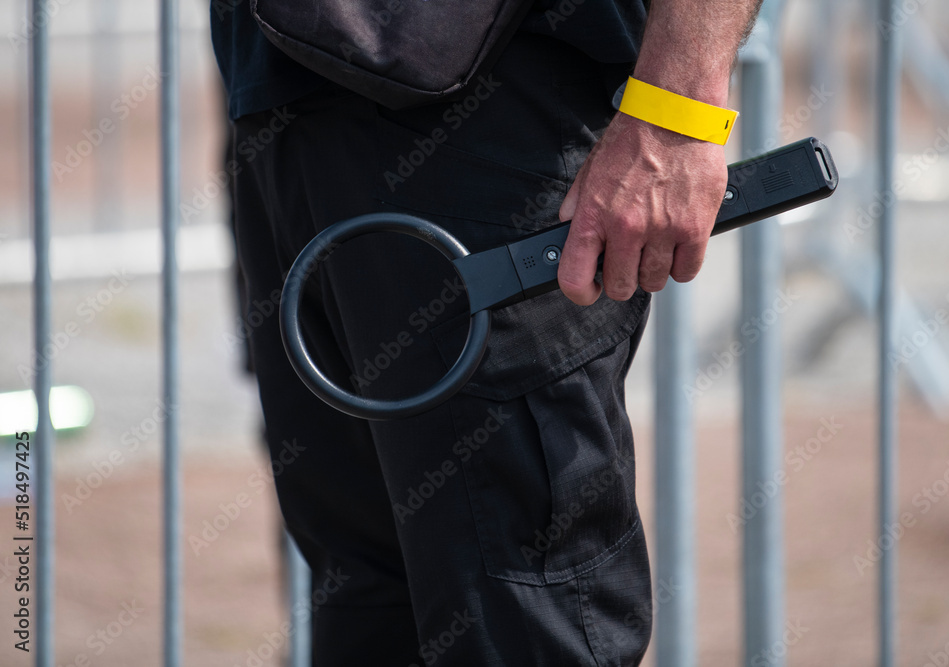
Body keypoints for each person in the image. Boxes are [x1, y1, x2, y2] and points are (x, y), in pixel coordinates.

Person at [212, 0, 762, 664]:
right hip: (284, 96)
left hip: (488, 119)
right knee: (368, 609)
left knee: (523, 613)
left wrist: (677, 112)